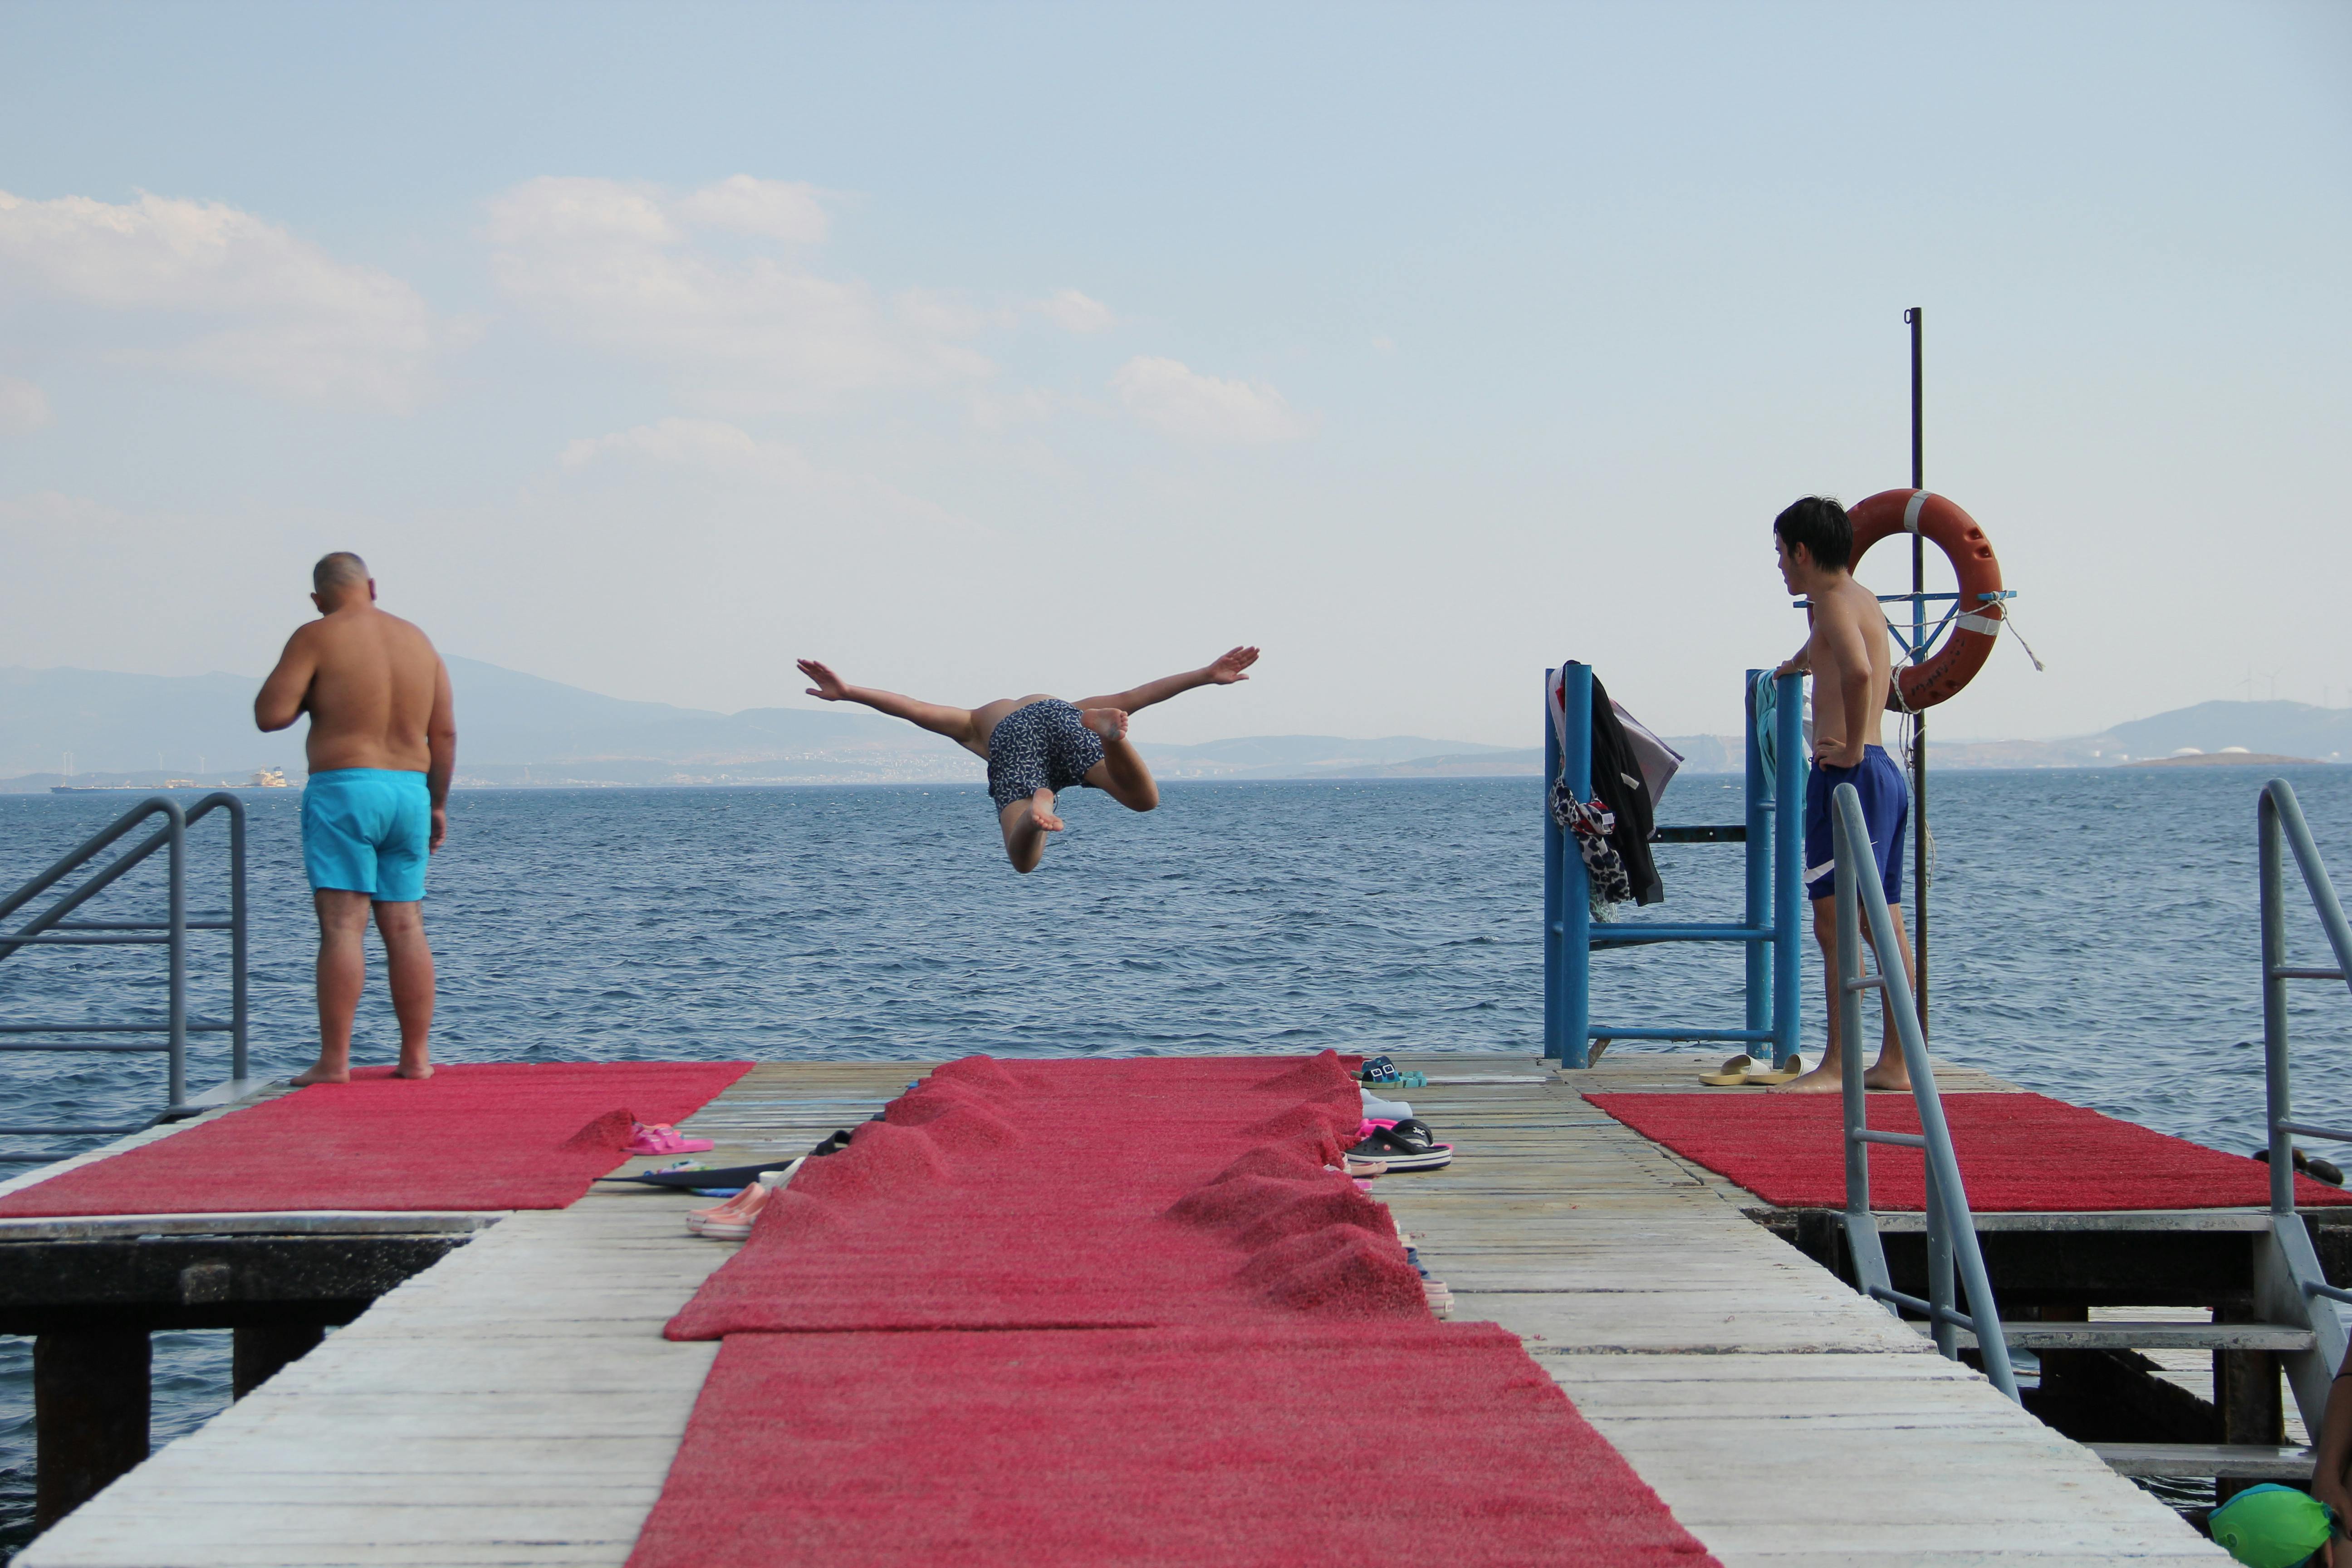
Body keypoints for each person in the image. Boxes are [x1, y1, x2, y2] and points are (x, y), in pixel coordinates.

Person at [255, 553, 456, 1084]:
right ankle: (416, 1059)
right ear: (372, 586)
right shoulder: (419, 641)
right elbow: (446, 735)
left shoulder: (316, 634)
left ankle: (334, 1062)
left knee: (344, 926)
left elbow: (270, 716)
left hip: (346, 789)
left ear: (318, 599)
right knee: (407, 924)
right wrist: (437, 803)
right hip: (411, 792)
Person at [794, 648, 1261, 872]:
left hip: (1011, 745)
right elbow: (1137, 695)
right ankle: (1113, 740)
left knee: (1023, 860)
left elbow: (914, 709)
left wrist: (851, 692)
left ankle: (1038, 815)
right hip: (1067, 719)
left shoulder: (978, 723)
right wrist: (1205, 674)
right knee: (1144, 800)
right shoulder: (1065, 706)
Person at [1763, 496, 1917, 1095]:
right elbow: (1833, 652)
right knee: (1885, 926)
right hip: (1882, 776)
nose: (1779, 566)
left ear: (1802, 551)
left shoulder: (1827, 601)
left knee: (1836, 924)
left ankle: (1839, 1064)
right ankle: (1897, 1063)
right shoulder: (1857, 599)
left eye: (1780, 554)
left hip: (1851, 775)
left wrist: (1850, 748)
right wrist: (1796, 664)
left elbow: (1855, 672)